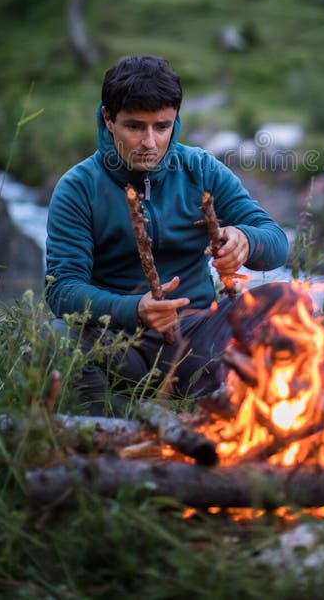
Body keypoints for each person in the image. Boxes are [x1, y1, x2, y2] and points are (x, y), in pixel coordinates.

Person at [45, 54, 288, 411]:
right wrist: (135, 309)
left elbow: (277, 244)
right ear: (108, 119)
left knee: (288, 302)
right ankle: (111, 427)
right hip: (120, 343)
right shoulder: (78, 188)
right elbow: (62, 289)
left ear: (176, 120)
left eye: (162, 126)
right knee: (58, 338)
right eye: (134, 126)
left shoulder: (200, 169)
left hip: (199, 341)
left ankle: (245, 413)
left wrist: (246, 241)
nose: (150, 142)